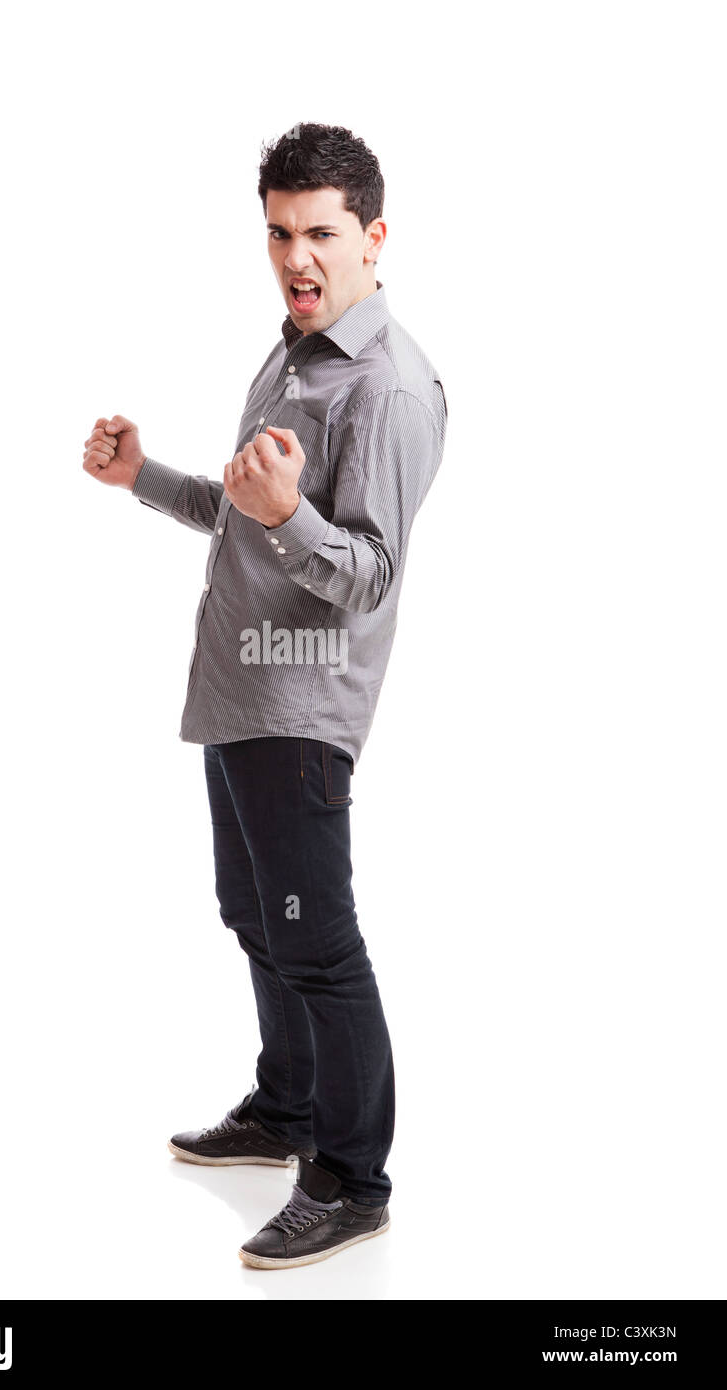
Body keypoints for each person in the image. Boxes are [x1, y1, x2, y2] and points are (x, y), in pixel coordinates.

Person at [82, 123, 447, 1269]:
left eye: (322, 233)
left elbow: (370, 576)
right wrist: (142, 477)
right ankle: (285, 1108)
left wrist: (290, 514)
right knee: (253, 919)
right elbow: (248, 508)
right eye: (279, 232)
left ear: (374, 237)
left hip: (300, 709)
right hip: (237, 694)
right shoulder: (292, 352)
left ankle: (351, 1176)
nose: (297, 256)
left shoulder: (384, 388)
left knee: (318, 945)